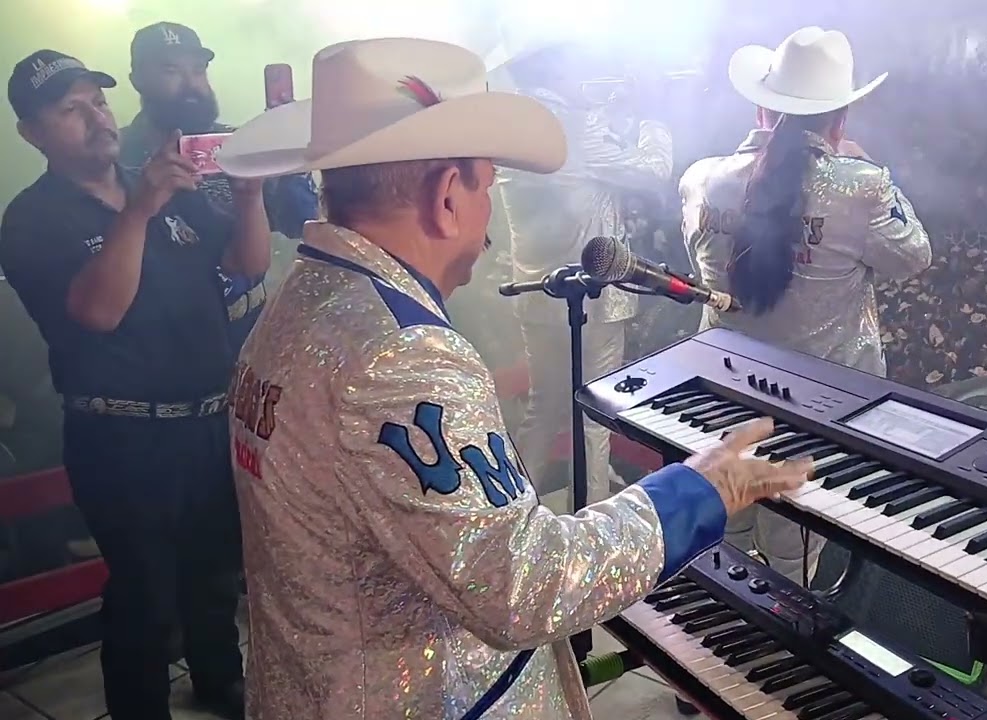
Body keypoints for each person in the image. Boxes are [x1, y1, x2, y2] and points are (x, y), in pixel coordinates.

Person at [215, 38, 809, 720]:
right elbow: (522, 584)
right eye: (487, 182)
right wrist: (699, 490)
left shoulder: (296, 302)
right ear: (447, 195)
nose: (491, 217)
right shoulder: (403, 356)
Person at [0, 49, 271, 720]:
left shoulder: (158, 184)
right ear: (32, 133)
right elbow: (99, 311)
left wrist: (248, 194)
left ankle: (219, 684)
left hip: (207, 423)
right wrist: (139, 211)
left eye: (99, 101)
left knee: (215, 578)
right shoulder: (33, 218)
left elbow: (245, 263)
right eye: (71, 110)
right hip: (122, 436)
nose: (97, 119)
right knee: (145, 596)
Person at [679, 27, 931, 582]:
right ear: (840, 118)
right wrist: (871, 169)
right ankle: (780, 651)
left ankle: (717, 637)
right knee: (796, 545)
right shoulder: (861, 187)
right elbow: (915, 254)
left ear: (761, 109)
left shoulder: (702, 179)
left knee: (728, 529)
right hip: (821, 402)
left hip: (720, 389)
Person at [491, 28, 674, 505]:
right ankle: (589, 528)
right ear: (554, 65)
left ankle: (513, 515)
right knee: (593, 419)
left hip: (536, 290)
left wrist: (609, 110)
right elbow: (651, 170)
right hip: (590, 297)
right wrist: (654, 114)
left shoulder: (512, 124)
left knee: (545, 409)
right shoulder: (574, 124)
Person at [118, 21, 318, 354]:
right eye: (172, 70)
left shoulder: (239, 145)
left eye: (198, 70)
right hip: (161, 348)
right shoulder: (117, 157)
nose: (191, 85)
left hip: (251, 344)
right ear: (137, 79)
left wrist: (296, 162)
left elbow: (301, 222)